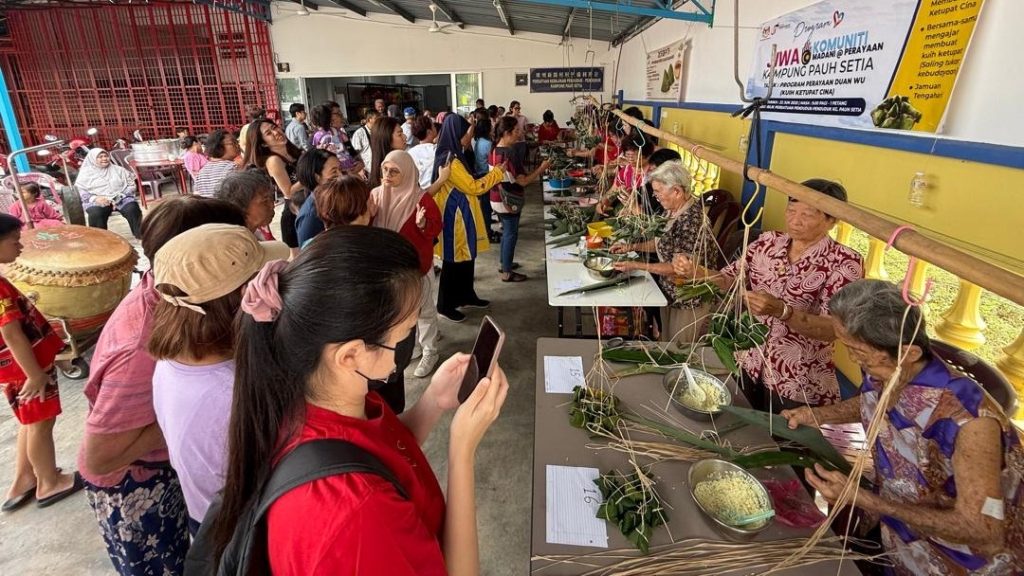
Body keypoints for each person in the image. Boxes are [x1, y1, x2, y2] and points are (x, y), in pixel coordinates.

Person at [208, 225, 509, 574]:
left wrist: (433, 402)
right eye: (405, 333)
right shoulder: (354, 513)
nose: (409, 340)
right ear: (350, 356)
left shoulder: (325, 398)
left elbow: (378, 454)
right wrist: (462, 451)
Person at [781, 279, 1022, 576]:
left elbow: (983, 530)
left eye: (856, 350)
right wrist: (816, 415)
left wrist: (865, 499)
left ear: (909, 353)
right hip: (900, 537)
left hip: (958, 561)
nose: (853, 358)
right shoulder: (885, 367)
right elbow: (872, 402)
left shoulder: (971, 423)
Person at [79, 196, 246, 575]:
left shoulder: (174, 303)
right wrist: (181, 420)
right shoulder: (142, 341)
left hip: (172, 467)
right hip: (135, 487)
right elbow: (100, 457)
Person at [673, 179, 864, 410]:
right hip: (748, 361)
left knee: (784, 440)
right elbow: (730, 280)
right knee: (741, 430)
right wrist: (699, 272)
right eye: (791, 210)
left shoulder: (845, 263)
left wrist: (783, 311)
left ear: (832, 220)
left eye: (808, 215)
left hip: (797, 379)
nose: (795, 220)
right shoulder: (767, 243)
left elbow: (833, 329)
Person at [150, 224, 289, 531]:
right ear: (247, 296)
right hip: (247, 529)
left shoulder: (172, 360)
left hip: (204, 516)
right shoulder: (236, 390)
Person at [0, 212, 82, 516]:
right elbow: (11, 334)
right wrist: (34, 374)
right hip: (26, 370)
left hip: (19, 369)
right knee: (40, 423)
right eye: (13, 241)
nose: (19, 247)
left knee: (28, 421)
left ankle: (24, 479)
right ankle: (49, 481)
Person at [610, 161, 719, 345]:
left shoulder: (691, 221)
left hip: (690, 299)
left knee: (681, 348)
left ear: (676, 191)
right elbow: (662, 243)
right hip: (670, 292)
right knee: (667, 343)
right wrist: (632, 247)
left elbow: (680, 269)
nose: (655, 195)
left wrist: (637, 265)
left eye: (659, 191)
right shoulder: (671, 211)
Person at [372, 150, 443, 377]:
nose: (387, 175)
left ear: (408, 173)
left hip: (416, 269)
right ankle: (414, 346)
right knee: (403, 313)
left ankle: (431, 350)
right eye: (385, 169)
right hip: (390, 270)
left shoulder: (420, 199)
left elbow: (436, 227)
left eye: (394, 171)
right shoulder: (375, 196)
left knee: (424, 312)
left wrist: (423, 225)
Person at [432, 114, 505, 323]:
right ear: (457, 134)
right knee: (453, 260)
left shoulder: (457, 154)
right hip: (454, 216)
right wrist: (497, 173)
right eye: (467, 133)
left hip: (463, 213)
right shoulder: (450, 160)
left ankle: (466, 295)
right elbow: (473, 186)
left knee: (466, 257)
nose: (469, 137)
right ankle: (445, 305)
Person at [489, 116, 549, 282]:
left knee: (506, 233)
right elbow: (523, 181)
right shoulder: (510, 154)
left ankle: (505, 263)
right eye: (516, 131)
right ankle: (507, 272)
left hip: (496, 197)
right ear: (507, 133)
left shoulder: (495, 150)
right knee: (510, 234)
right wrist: (541, 169)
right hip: (508, 200)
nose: (519, 133)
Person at [242, 119, 303, 249]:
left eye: (274, 127)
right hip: (295, 213)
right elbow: (288, 192)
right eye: (269, 133)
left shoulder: (295, 152)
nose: (276, 132)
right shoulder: (274, 160)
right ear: (263, 144)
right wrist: (311, 175)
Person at [75, 148, 143, 239]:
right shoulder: (85, 174)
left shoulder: (119, 170)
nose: (104, 159)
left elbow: (131, 185)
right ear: (93, 159)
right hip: (98, 200)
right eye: (100, 157)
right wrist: (95, 199)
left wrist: (119, 197)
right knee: (96, 213)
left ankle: (141, 235)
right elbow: (80, 191)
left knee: (132, 208)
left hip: (121, 198)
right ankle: (100, 239)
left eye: (106, 156)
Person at [293, 149, 342, 246]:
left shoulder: (338, 198)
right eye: (334, 172)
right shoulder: (310, 217)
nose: (341, 175)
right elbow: (309, 255)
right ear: (317, 177)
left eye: (340, 169)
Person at [215, 171, 277, 240]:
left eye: (271, 198)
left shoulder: (258, 233)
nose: (272, 205)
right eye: (265, 201)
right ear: (241, 206)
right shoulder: (233, 242)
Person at [310, 104, 361, 174]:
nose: (341, 115)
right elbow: (347, 144)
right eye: (338, 113)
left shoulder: (317, 136)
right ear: (329, 118)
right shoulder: (335, 131)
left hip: (337, 167)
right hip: (346, 163)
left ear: (314, 122)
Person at [471, 110, 497, 243]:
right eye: (491, 127)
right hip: (485, 175)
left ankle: (487, 229)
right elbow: (493, 161)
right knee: (486, 207)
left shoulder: (479, 141)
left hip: (479, 173)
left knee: (485, 206)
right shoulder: (487, 144)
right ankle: (487, 232)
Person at [193, 130, 240, 198]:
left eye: (237, 142)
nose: (237, 145)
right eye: (233, 142)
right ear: (218, 147)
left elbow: (197, 196)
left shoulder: (201, 172)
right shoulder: (234, 168)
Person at [368, 116, 407, 188]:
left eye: (403, 133)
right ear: (387, 139)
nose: (405, 137)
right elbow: (416, 197)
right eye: (399, 134)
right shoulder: (393, 170)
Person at [408, 117, 440, 190]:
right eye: (433, 126)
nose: (435, 128)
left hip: (420, 194)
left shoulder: (410, 153)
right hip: (437, 191)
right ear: (429, 132)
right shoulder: (437, 150)